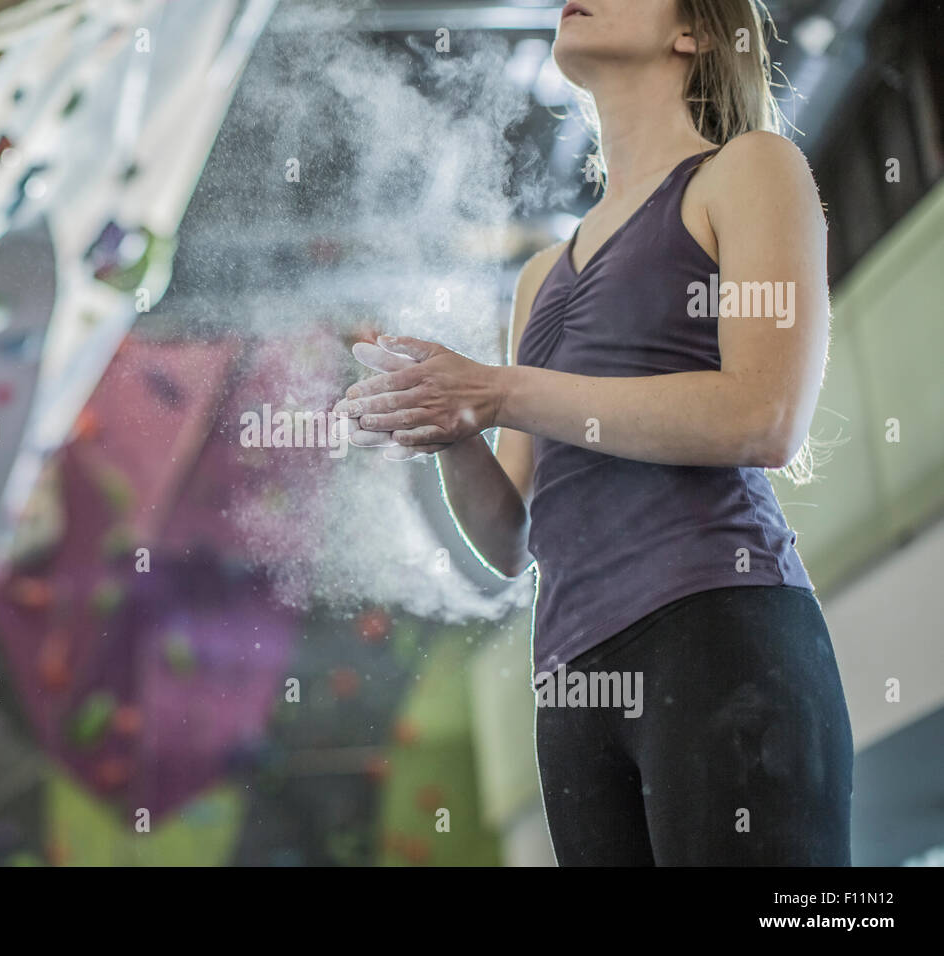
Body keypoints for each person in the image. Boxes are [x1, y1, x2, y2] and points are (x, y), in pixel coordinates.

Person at [332, 0, 854, 865]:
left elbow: (764, 416)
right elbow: (512, 540)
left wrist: (500, 390)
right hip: (572, 680)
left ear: (692, 31)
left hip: (716, 631)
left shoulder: (750, 170)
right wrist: (450, 421)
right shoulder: (542, 275)